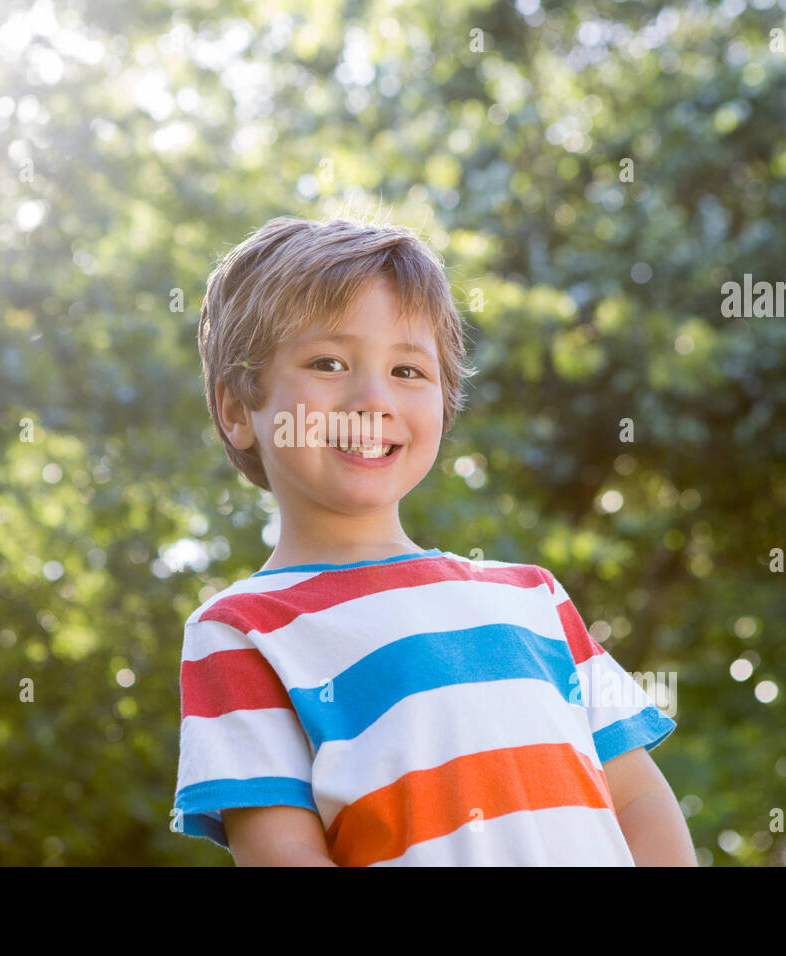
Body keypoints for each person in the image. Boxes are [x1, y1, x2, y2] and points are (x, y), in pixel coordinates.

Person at [172, 215, 696, 866]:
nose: (373, 397)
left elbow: (640, 800)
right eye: (328, 362)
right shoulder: (239, 632)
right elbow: (284, 854)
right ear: (236, 408)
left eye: (408, 370)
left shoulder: (537, 600)